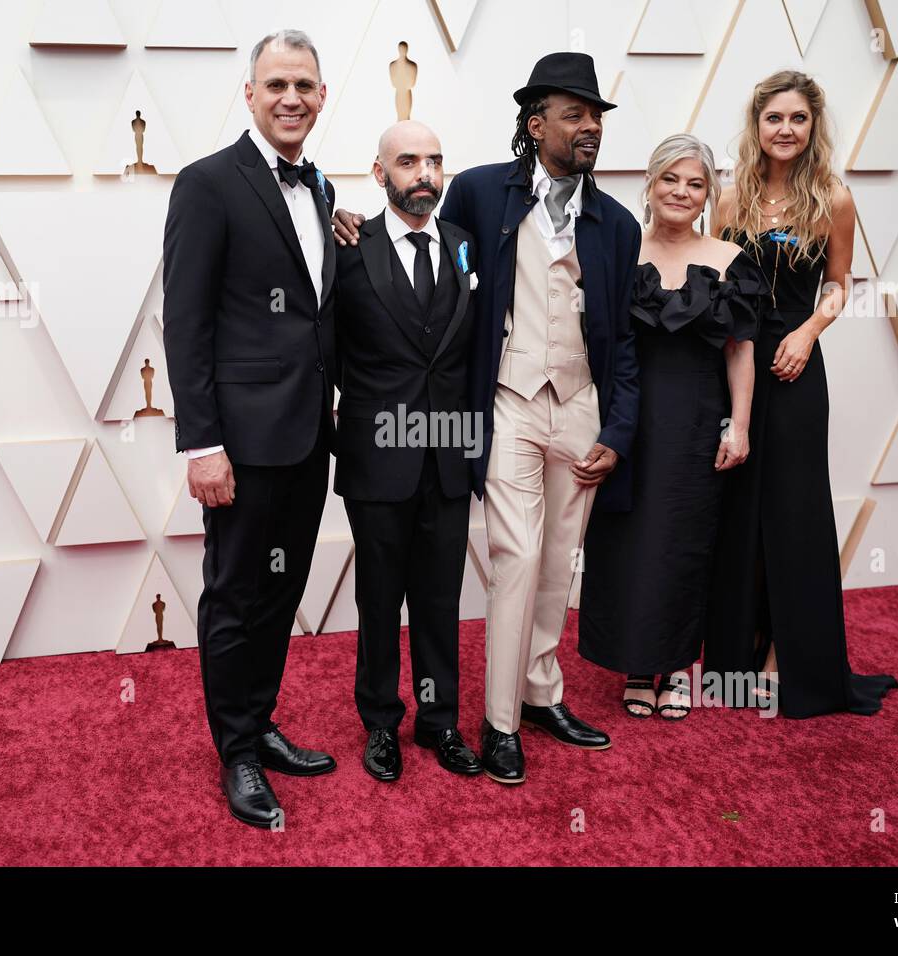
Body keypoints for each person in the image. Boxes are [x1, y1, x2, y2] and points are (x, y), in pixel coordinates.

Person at [335, 52, 641, 785]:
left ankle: (539, 695)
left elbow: (623, 339)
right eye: (575, 114)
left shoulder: (618, 224)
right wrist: (336, 213)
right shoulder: (479, 193)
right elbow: (406, 230)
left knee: (558, 564)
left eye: (597, 115)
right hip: (503, 404)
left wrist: (616, 429)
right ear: (537, 126)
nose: (590, 126)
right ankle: (499, 722)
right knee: (516, 558)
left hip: (579, 409)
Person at [162, 30, 338, 830]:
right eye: (276, 85)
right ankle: (235, 751)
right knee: (234, 596)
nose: (291, 97)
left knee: (280, 591)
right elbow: (185, 323)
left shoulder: (325, 191)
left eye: (304, 84)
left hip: (310, 437)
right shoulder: (207, 184)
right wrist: (201, 444)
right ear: (250, 94)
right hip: (240, 441)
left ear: (322, 96)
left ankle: (260, 720)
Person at [706, 70, 898, 716]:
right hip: (735, 367)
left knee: (794, 513)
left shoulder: (834, 199)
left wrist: (810, 331)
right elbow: (715, 283)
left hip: (794, 369)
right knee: (739, 511)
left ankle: (784, 656)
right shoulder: (730, 200)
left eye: (797, 119)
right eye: (773, 119)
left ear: (813, 127)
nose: (784, 130)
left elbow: (840, 285)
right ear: (756, 126)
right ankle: (733, 656)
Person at [578, 134, 766, 721]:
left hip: (696, 420)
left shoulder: (730, 259)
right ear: (651, 184)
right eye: (671, 180)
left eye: (696, 184)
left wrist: (738, 425)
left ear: (708, 194)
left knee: (686, 543)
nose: (681, 193)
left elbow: (741, 350)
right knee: (631, 541)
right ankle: (638, 663)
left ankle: (680, 664)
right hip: (628, 419)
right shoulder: (620, 251)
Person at [333, 120, 483, 782]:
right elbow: (326, 351)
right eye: (409, 161)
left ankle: (440, 720)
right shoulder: (349, 247)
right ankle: (380, 724)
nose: (424, 172)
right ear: (379, 172)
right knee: (377, 599)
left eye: (435, 161)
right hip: (376, 455)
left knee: (440, 598)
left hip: (448, 454)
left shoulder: (462, 248)